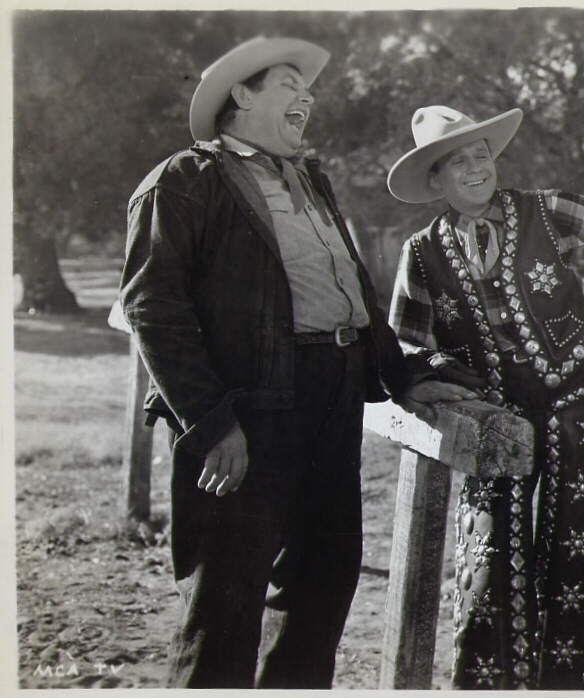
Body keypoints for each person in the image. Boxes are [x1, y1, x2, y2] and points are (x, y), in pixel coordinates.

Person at [119, 37, 473, 689]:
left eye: (306, 89)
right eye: (287, 84)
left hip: (331, 394)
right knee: (227, 595)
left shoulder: (311, 177)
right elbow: (152, 308)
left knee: (323, 578)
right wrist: (210, 421)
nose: (306, 97)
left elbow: (353, 292)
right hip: (248, 407)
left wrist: (404, 376)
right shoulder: (184, 179)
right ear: (241, 97)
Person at [386, 105, 584, 690]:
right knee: (494, 560)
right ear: (435, 181)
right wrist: (442, 369)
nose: (473, 169)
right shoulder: (421, 253)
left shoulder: (547, 209)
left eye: (480, 155)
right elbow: (405, 348)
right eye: (455, 162)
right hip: (499, 427)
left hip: (582, 413)